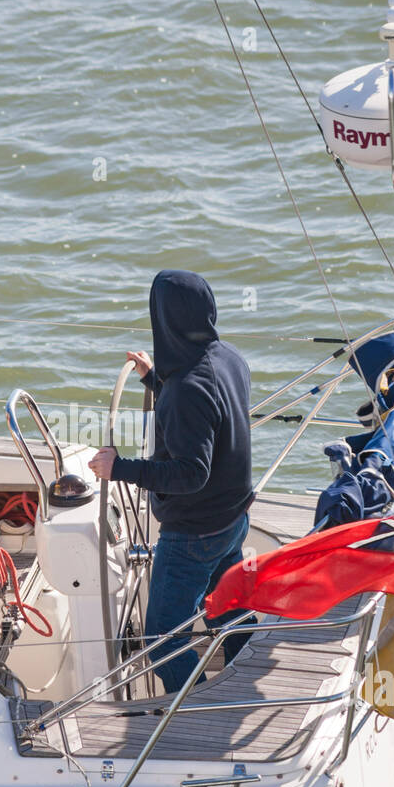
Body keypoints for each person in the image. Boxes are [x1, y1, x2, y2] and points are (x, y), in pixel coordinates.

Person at [88, 269, 253, 693]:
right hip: (232, 518)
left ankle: (190, 709)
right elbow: (207, 409)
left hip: (194, 533)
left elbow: (191, 473)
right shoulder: (232, 359)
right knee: (226, 609)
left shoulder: (184, 390)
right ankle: (240, 679)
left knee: (160, 640)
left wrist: (120, 468)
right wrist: (154, 381)